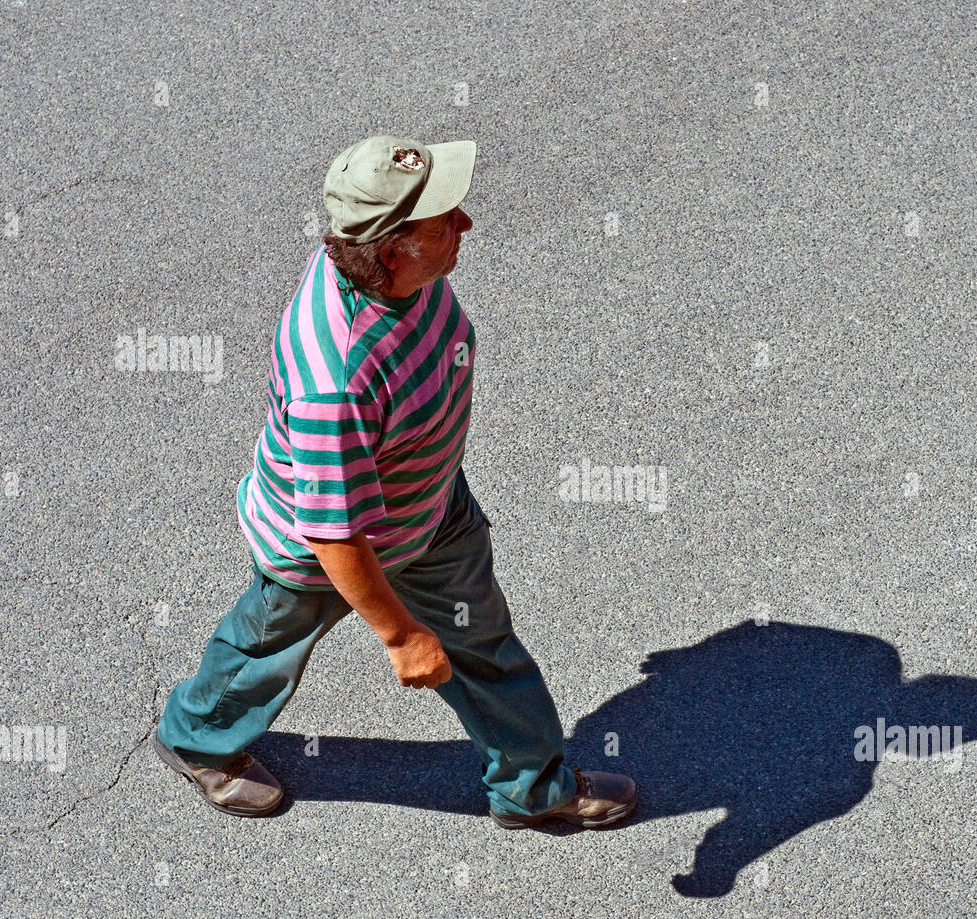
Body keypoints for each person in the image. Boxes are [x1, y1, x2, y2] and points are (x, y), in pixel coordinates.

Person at [152, 134, 636, 830]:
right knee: (265, 647)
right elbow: (332, 531)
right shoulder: (336, 380)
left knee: (484, 642)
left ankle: (533, 787)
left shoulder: (404, 273)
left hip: (428, 510)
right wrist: (401, 635)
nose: (465, 223)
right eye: (443, 219)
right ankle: (196, 739)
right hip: (327, 552)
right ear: (389, 247)